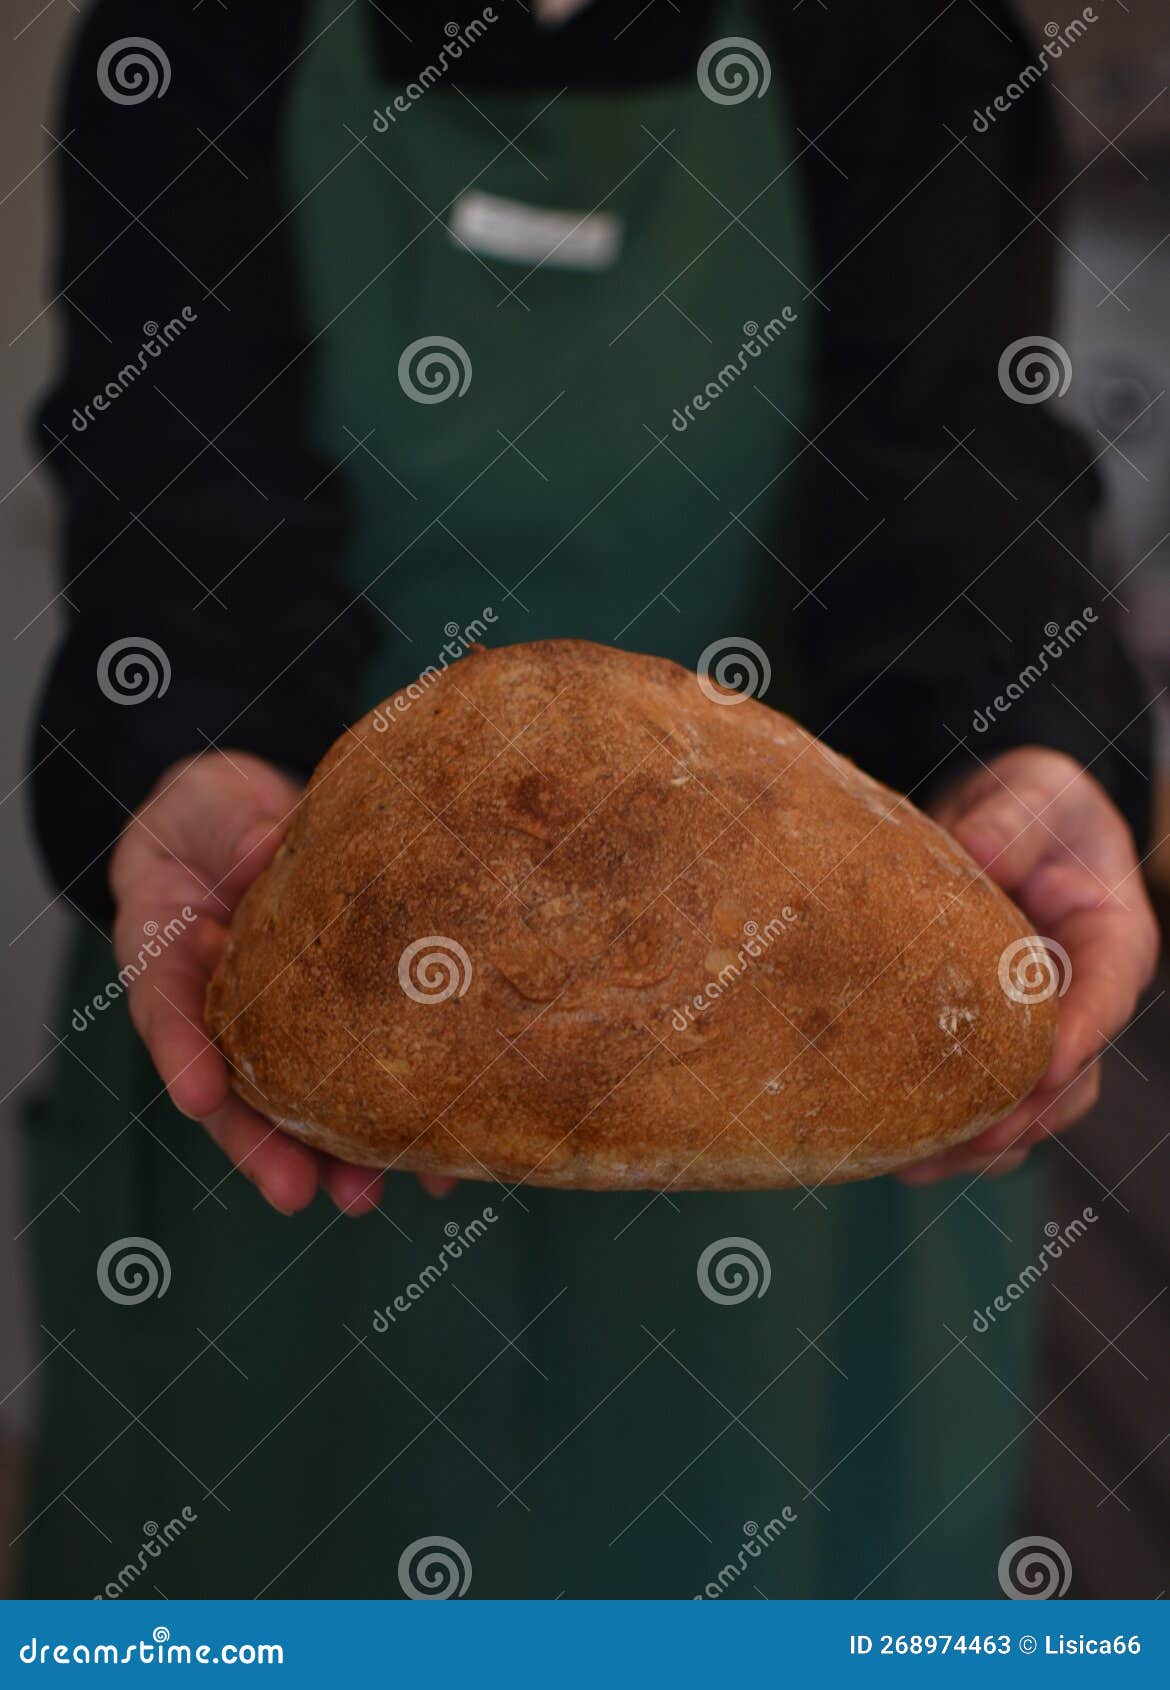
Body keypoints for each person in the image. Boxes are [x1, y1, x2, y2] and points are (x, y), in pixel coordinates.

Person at [22, 0, 1157, 1599]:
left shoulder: (910, 44)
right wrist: (190, 754)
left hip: (802, 1074)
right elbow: (171, 509)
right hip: (288, 976)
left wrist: (1020, 748)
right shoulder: (190, 36)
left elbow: (962, 481)